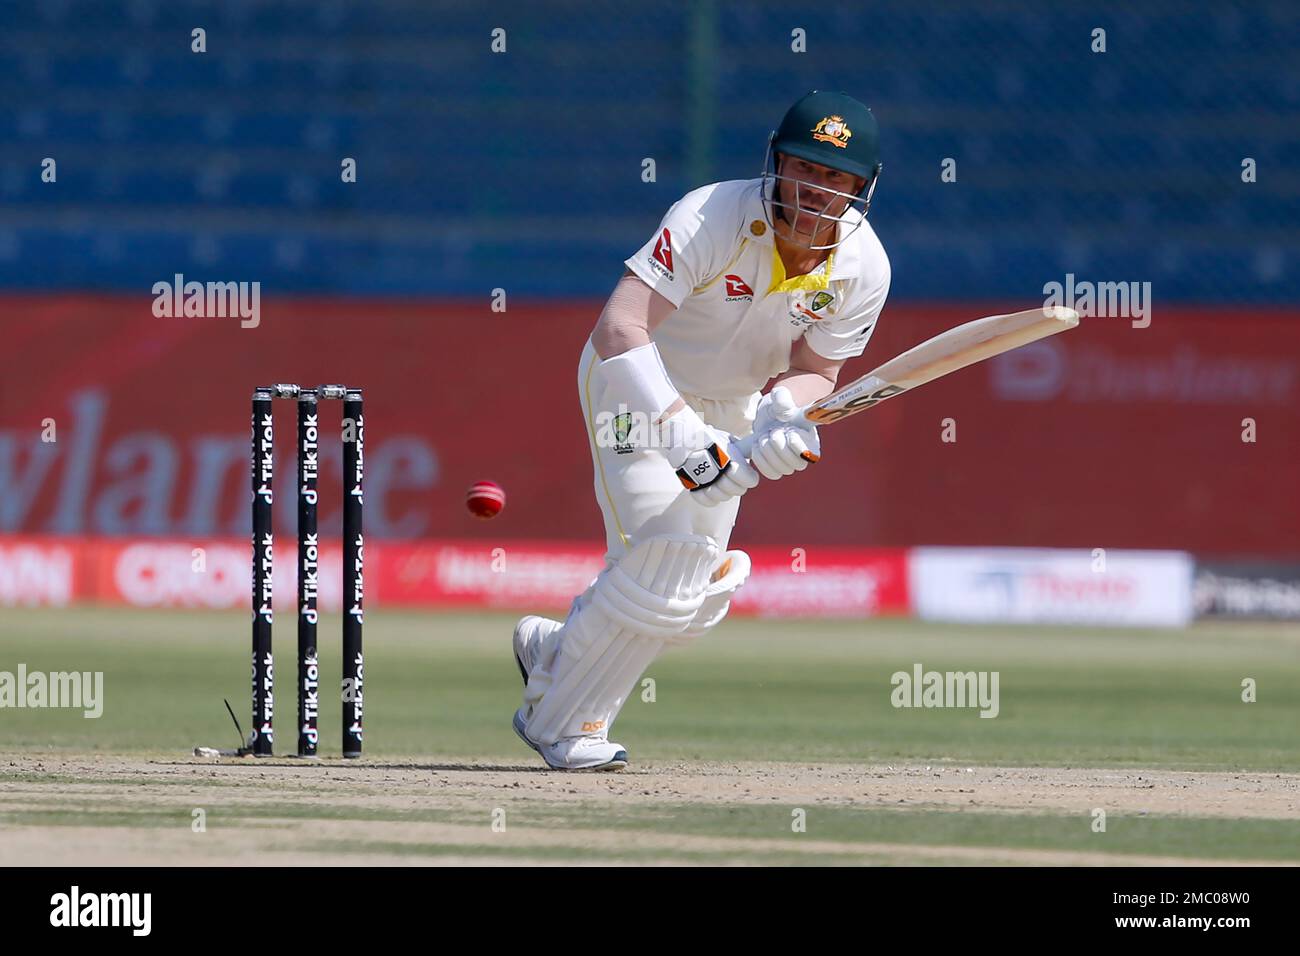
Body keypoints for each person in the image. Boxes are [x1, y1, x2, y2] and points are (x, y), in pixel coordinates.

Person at [512, 90, 891, 770]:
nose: (814, 190)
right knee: (668, 556)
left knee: (691, 599)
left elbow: (817, 372)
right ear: (776, 162)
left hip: (732, 404)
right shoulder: (711, 215)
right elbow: (619, 329)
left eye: (835, 178)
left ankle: (554, 650)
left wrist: (783, 415)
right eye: (804, 167)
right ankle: (565, 726)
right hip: (635, 388)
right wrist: (685, 438)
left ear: (861, 188)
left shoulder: (865, 268)